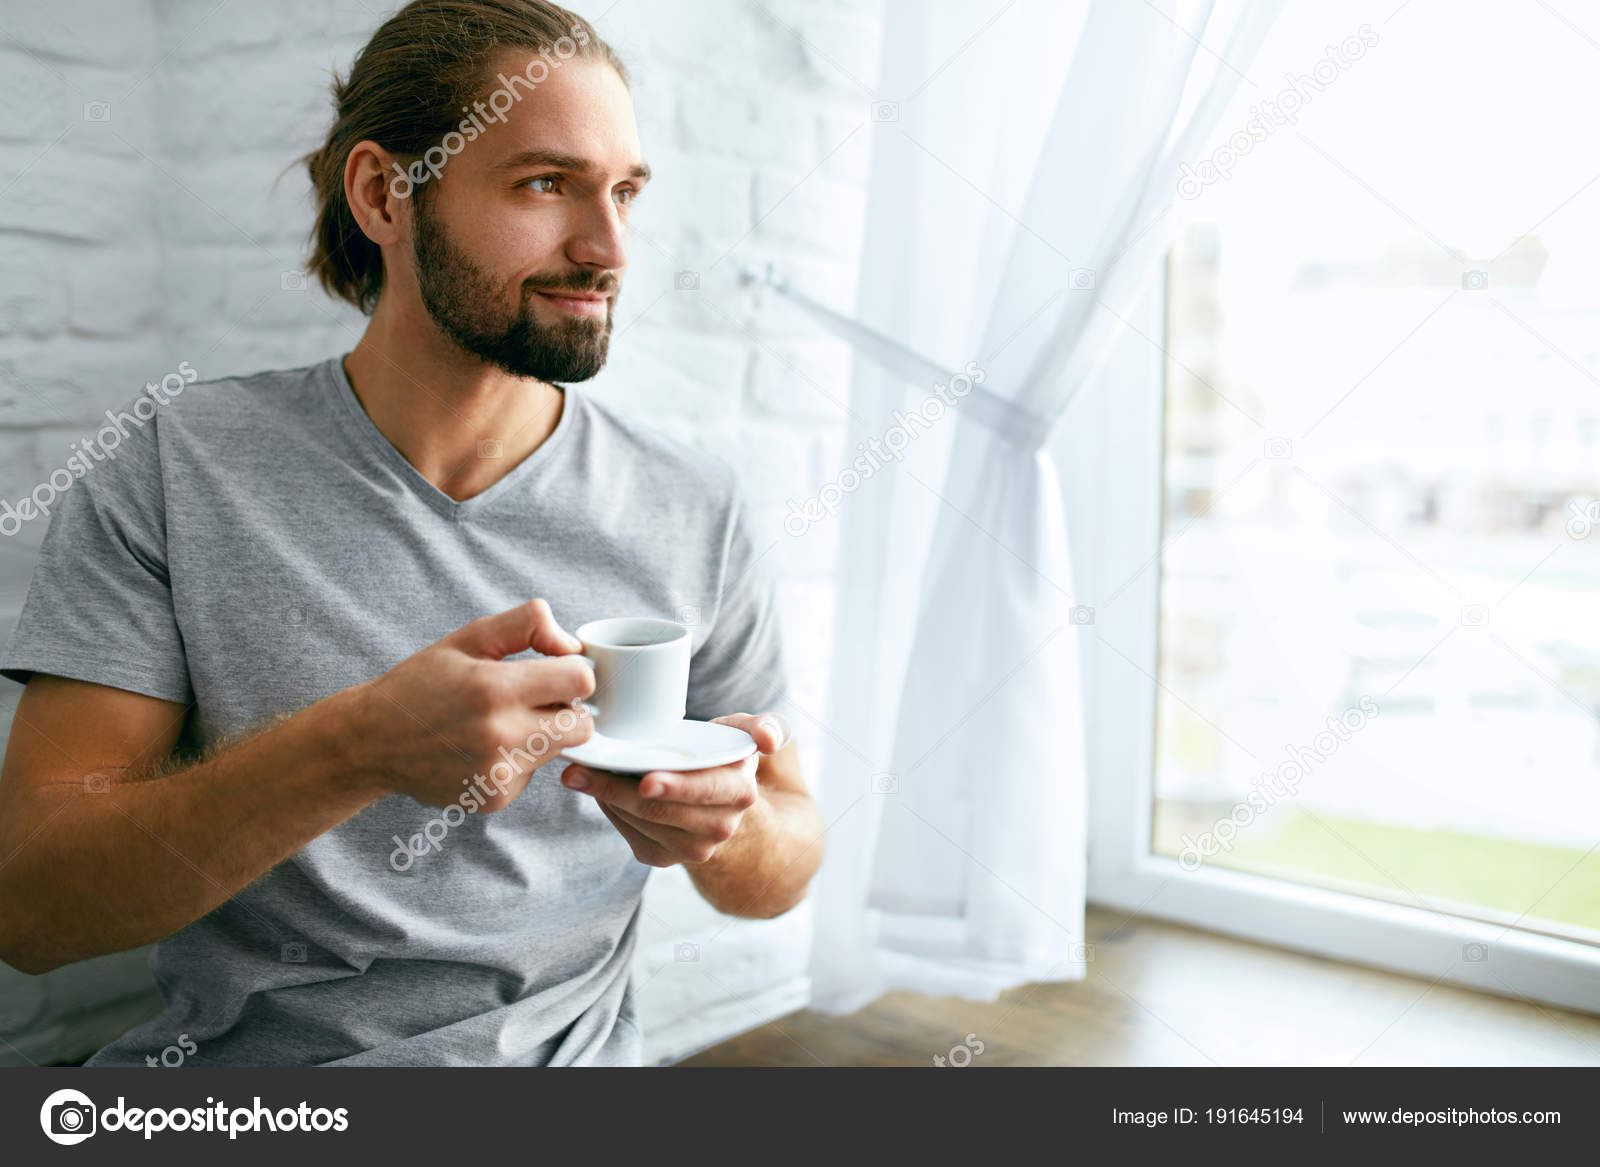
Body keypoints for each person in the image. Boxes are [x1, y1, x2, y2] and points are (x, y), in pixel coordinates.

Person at [0, 0, 822, 1067]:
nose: (607, 248)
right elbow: (31, 908)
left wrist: (729, 829)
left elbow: (788, 857)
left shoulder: (692, 503)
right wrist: (358, 748)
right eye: (545, 184)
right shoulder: (177, 468)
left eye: (624, 192)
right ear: (386, 194)